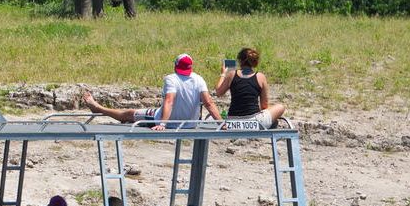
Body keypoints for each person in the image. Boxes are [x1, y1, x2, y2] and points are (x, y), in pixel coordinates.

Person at [81, 54, 222, 129]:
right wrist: (221, 123)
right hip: (191, 124)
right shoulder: (199, 79)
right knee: (141, 112)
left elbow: (169, 101)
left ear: (176, 66)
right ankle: (99, 108)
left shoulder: (171, 79)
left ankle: (98, 108)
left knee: (129, 114)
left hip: (168, 121)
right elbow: (209, 103)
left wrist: (162, 124)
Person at [216, 47, 288, 130]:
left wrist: (223, 74)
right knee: (280, 107)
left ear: (240, 61)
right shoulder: (260, 77)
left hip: (233, 122)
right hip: (254, 122)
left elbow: (218, 92)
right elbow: (264, 105)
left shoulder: (232, 74)